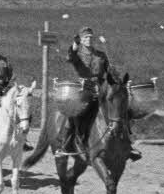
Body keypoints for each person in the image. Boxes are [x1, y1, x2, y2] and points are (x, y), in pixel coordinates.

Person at [59, 26, 141, 161]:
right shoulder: (77, 54)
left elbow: (110, 71)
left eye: (90, 37)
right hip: (85, 87)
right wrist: (75, 44)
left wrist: (120, 81)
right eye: (85, 37)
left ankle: (128, 144)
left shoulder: (101, 55)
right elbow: (70, 56)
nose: (89, 39)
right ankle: (68, 143)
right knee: (77, 110)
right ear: (81, 40)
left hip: (102, 87)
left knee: (120, 107)